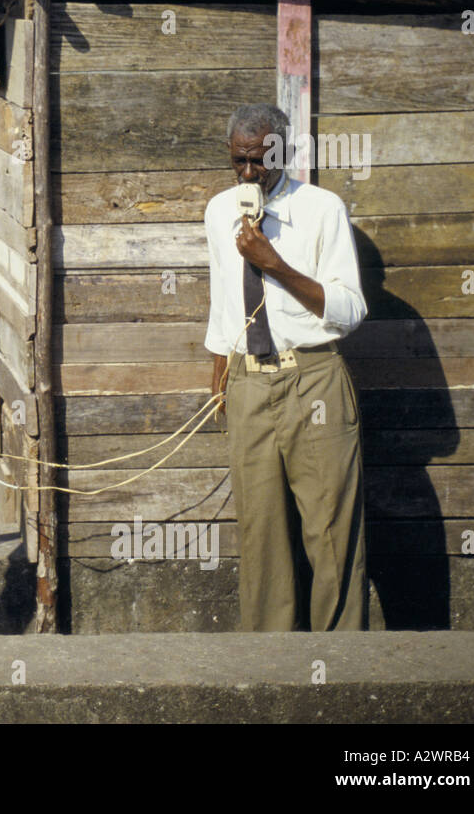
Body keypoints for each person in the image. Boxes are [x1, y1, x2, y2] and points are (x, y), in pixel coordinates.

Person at [205, 103, 369, 632]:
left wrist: (273, 262)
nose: (249, 173)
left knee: (331, 534)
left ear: (284, 153)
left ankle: (339, 665)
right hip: (249, 378)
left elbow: (349, 311)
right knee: (261, 533)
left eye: (260, 162)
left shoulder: (323, 210)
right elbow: (223, 298)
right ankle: (270, 670)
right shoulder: (218, 211)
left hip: (313, 378)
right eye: (239, 161)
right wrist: (220, 364)